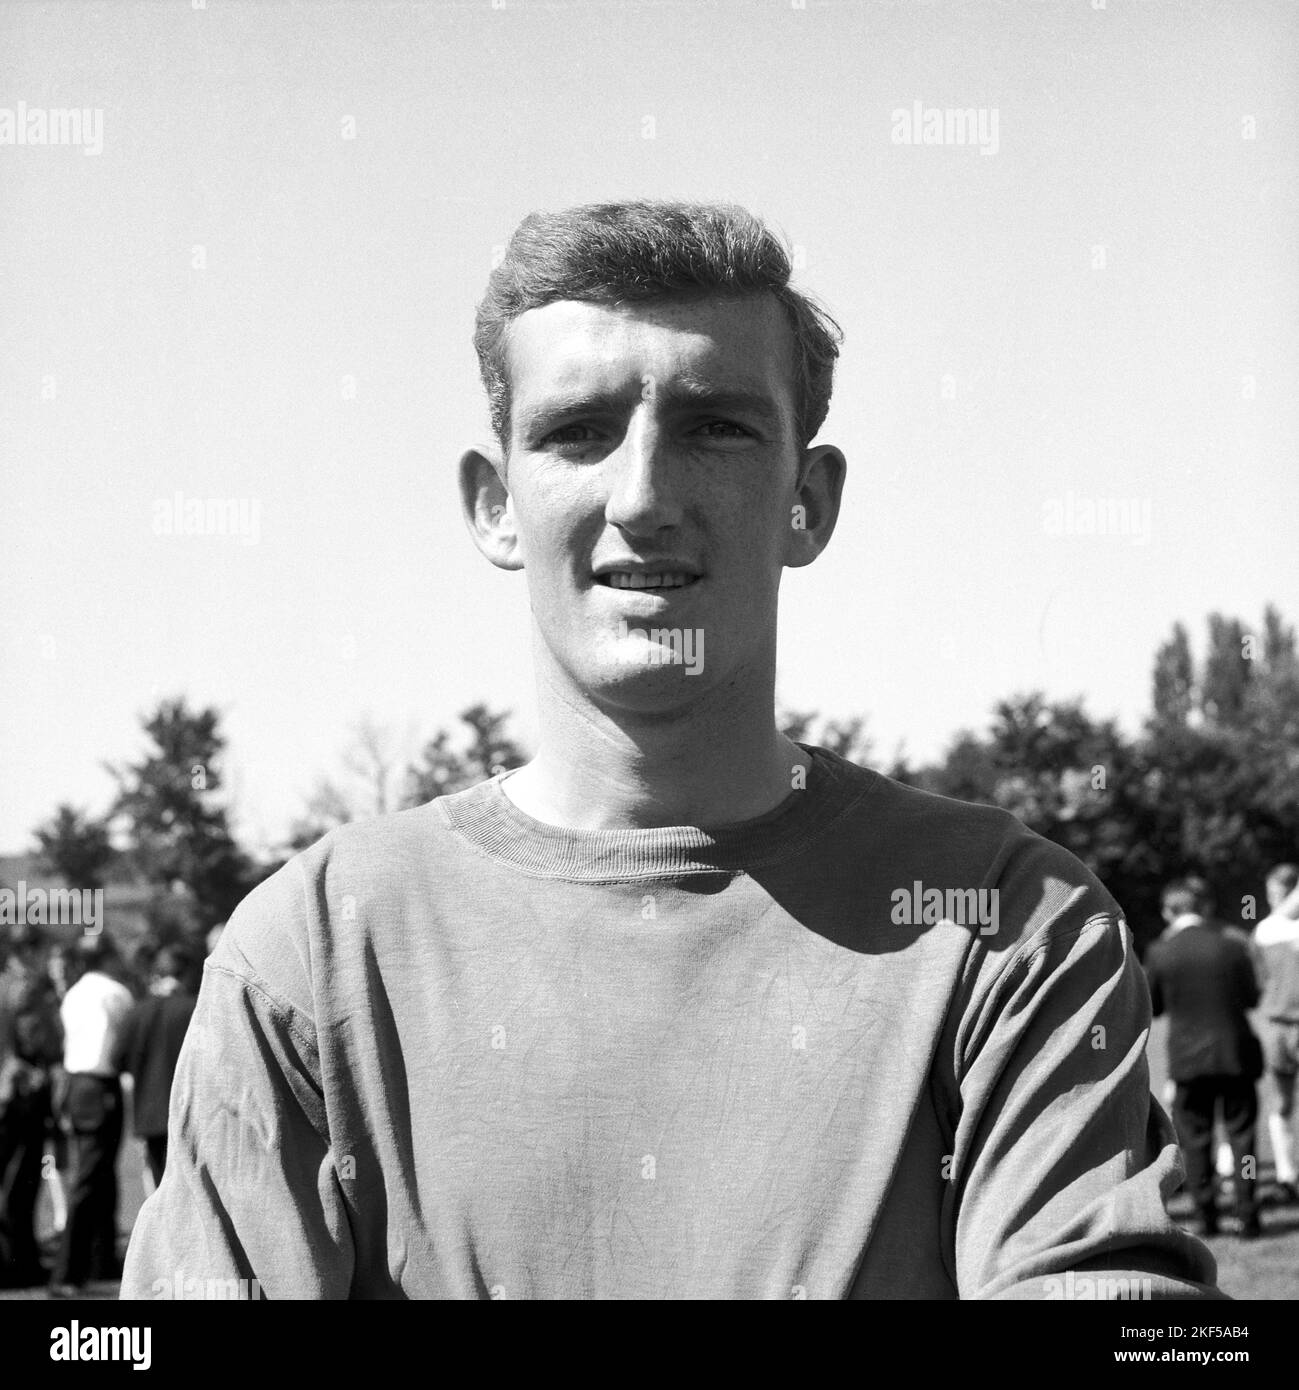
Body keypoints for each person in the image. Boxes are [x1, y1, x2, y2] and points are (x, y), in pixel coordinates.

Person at [124, 200, 1218, 1299]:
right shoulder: (313, 950)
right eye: (578, 431)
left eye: (716, 427)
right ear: (495, 504)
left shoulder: (1008, 925)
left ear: (810, 502)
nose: (643, 496)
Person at [1145, 876, 1264, 1238]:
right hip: (1235, 1053)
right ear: (1206, 907)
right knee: (1242, 1140)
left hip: (1187, 1058)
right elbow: (1250, 998)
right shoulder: (1231, 946)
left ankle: (1206, 1215)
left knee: (1195, 1142)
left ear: (1168, 911)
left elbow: (1156, 1006)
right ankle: (1247, 1212)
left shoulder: (1160, 951)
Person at [50, 934, 133, 1295]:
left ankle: (99, 1261)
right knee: (89, 1178)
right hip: (101, 1085)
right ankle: (66, 1272)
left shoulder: (73, 994)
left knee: (99, 1175)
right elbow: (125, 1039)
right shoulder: (115, 993)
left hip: (75, 1085)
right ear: (107, 957)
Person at [0, 924, 63, 1287]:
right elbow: (40, 1040)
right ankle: (18, 1264)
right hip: (22, 1097)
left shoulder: (4, 983)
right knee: (22, 1183)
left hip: (8, 1094)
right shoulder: (27, 989)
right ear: (29, 951)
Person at [111, 946, 197, 1187]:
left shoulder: (138, 1012)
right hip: (188, 1111)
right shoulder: (194, 1008)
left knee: (159, 1185)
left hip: (149, 1114)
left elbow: (117, 1058)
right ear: (186, 974)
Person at [1254, 863, 1299, 1202]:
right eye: (1269, 894)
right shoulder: (1267, 930)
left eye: (1278, 894)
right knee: (1280, 1101)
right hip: (1277, 1026)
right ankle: (1286, 1175)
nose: (1273, 901)